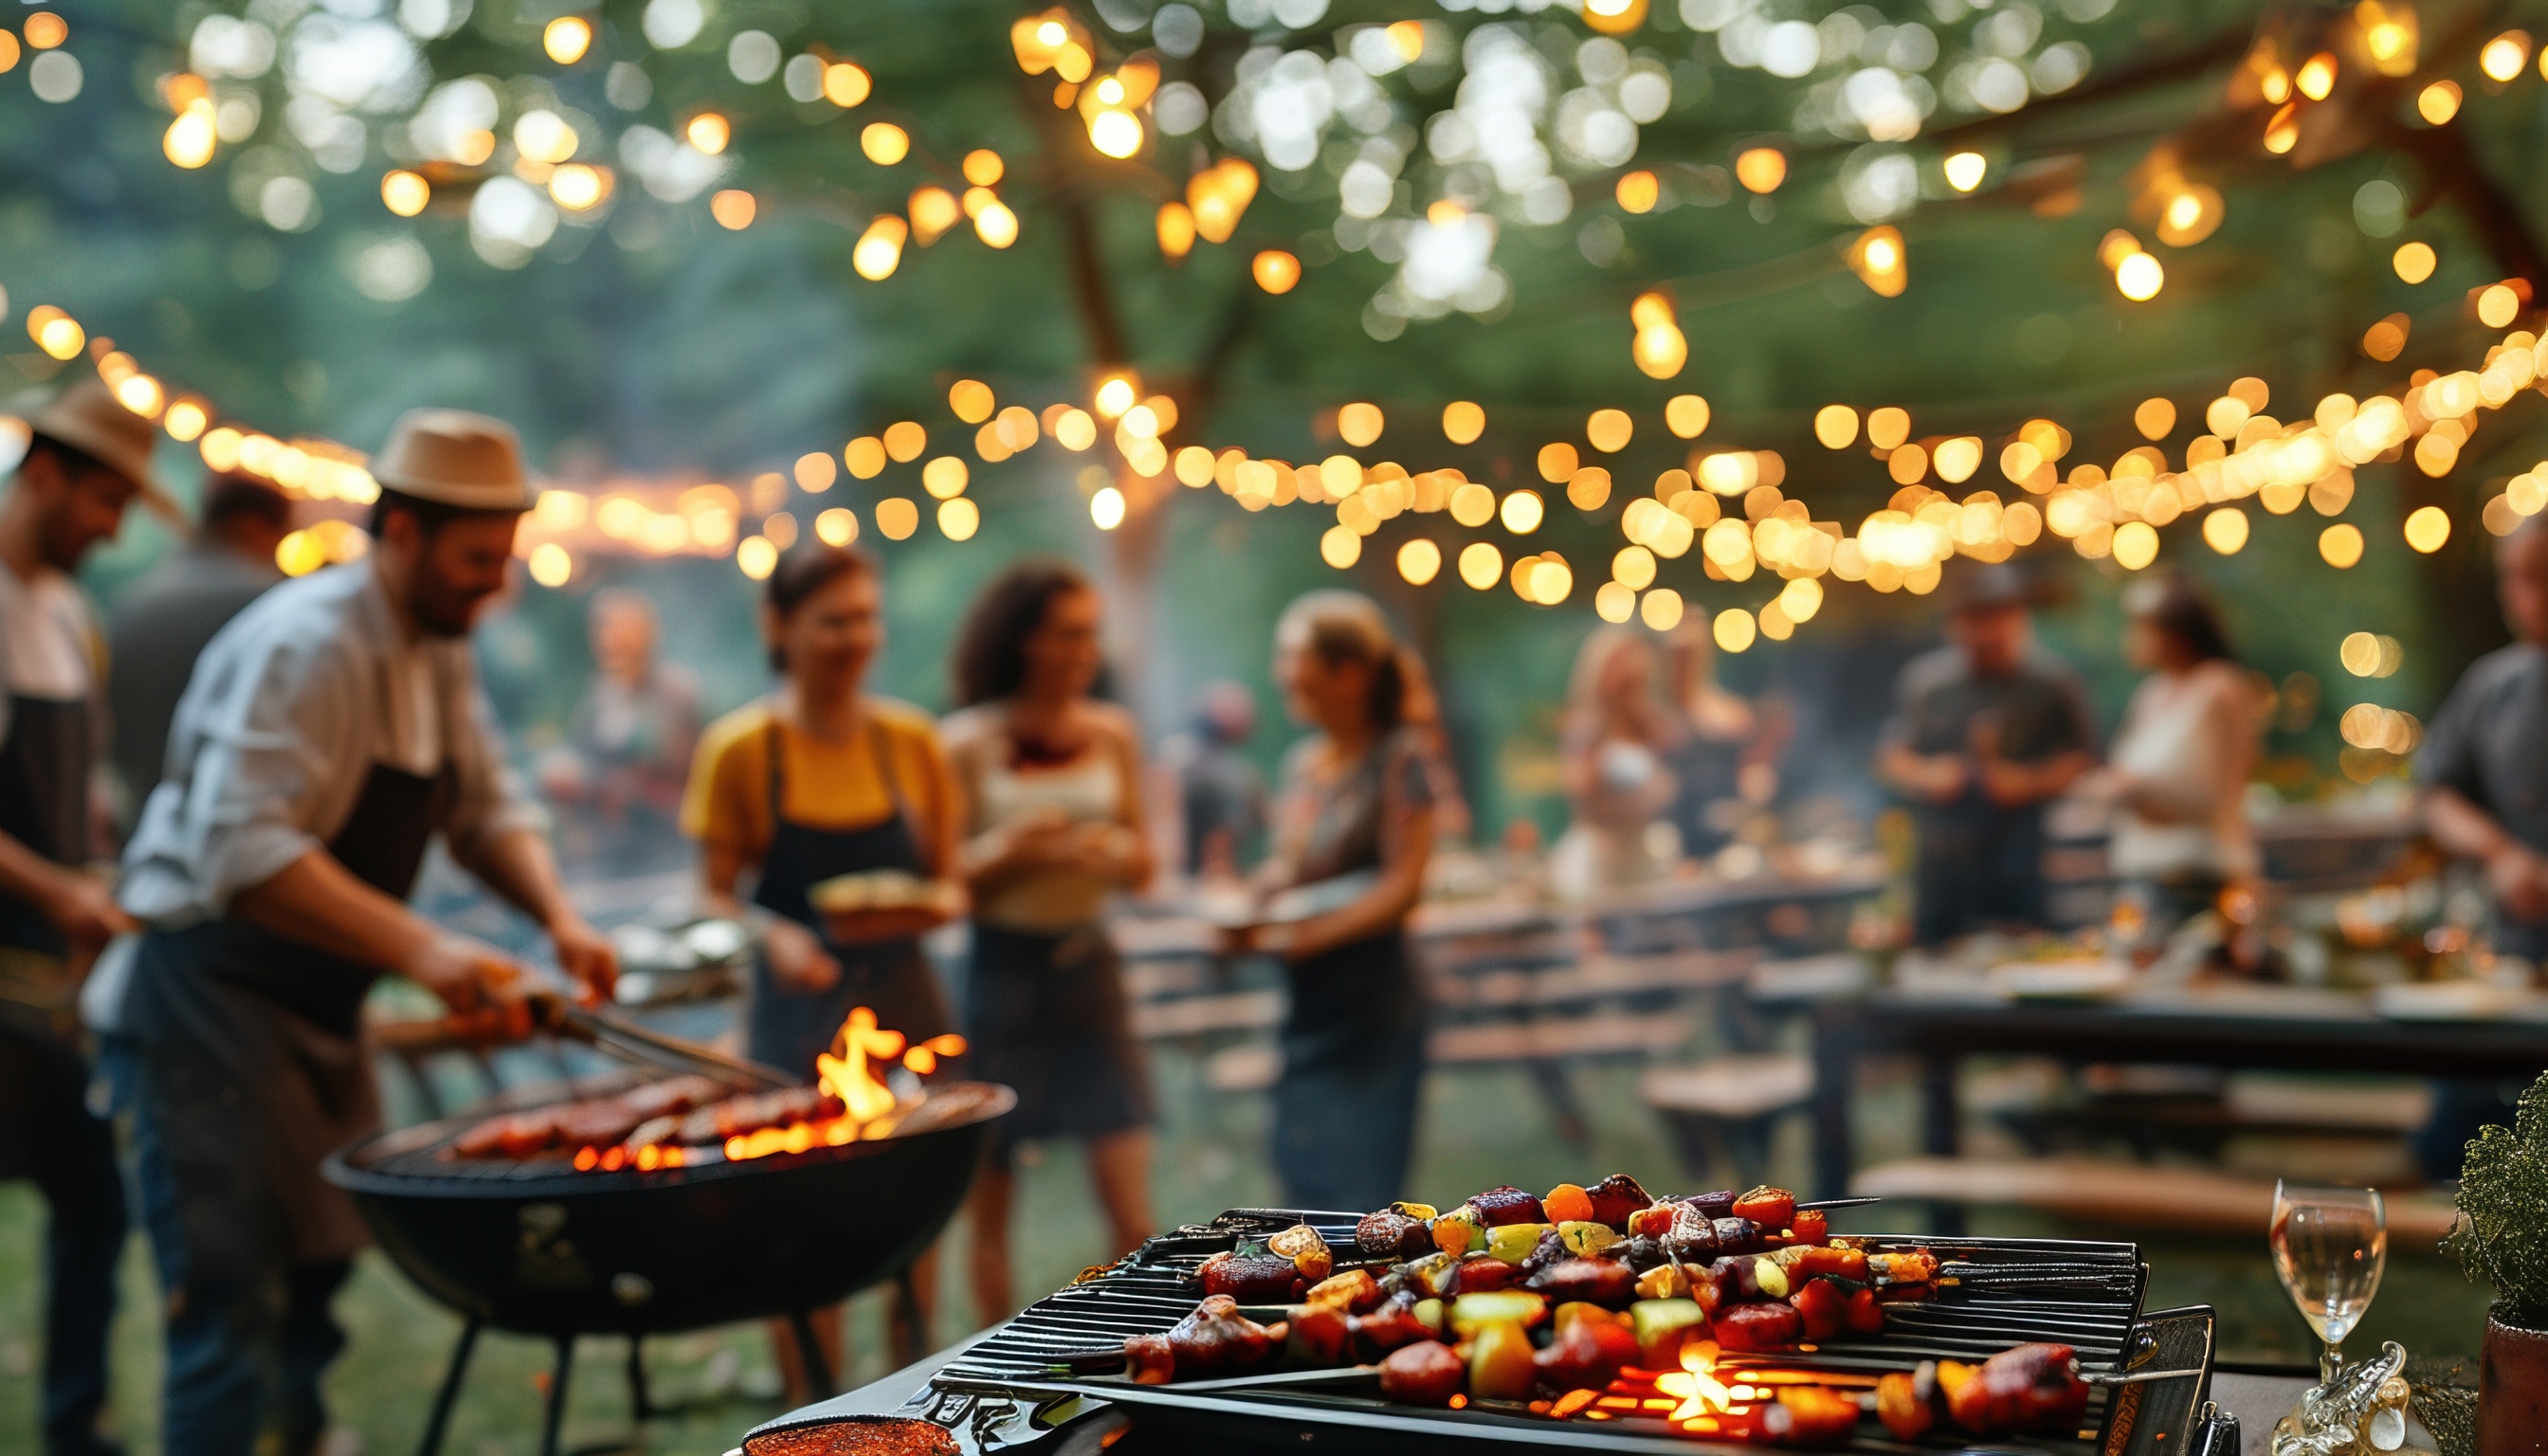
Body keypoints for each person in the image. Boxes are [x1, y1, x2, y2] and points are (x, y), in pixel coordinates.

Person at [113, 410, 617, 1456]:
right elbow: (241, 850)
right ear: (402, 536)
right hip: (211, 999)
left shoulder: (438, 646)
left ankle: (300, 1442)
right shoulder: (306, 644)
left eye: (503, 557)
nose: (495, 582)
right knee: (229, 1300)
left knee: (315, 1281)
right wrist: (429, 952)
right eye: (478, 559)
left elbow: (484, 807)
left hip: (320, 1007)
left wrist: (560, 921)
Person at [682, 539, 959, 1387]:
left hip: (905, 1002)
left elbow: (950, 879)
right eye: (832, 620)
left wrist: (922, 906)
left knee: (914, 1203)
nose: (854, 638)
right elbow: (712, 897)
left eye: (866, 618)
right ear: (780, 626)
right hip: (793, 1014)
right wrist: (774, 934)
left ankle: (917, 1401)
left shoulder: (910, 741)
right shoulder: (740, 749)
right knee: (799, 1222)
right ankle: (811, 1411)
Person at [0, 382, 158, 1456]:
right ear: (43, 470)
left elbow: (73, 790)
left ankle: (72, 1426)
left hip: (47, 984)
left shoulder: (64, 610)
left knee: (93, 1202)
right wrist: (62, 892)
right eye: (103, 499)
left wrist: (101, 863)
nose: (112, 527)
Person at [941, 560, 1154, 1323]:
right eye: (1066, 633)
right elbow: (943, 881)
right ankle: (993, 1366)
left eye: (1089, 634)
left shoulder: (1114, 733)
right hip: (1002, 972)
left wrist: (1109, 853)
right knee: (992, 1200)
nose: (1082, 650)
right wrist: (1009, 849)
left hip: (1089, 965)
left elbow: (1145, 864)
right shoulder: (964, 741)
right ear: (1022, 639)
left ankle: (1153, 1352)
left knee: (1130, 1200)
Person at [1230, 592, 1435, 1212]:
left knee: (1364, 1194)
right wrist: (1254, 902)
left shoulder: (1402, 758)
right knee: (1299, 1175)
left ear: (1350, 673)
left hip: (1375, 1003)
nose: (1280, 674)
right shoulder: (1303, 765)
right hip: (1309, 1002)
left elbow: (1404, 887)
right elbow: (1293, 869)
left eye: (1293, 656)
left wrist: (1310, 936)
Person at [2417, 517, 2548, 1172]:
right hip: (2510, 970)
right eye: (2515, 579)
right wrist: (2500, 853)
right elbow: (2435, 793)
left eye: (2540, 577)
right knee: (2450, 1152)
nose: (2526, 597)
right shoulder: (2492, 686)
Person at [1876, 563, 2097, 945]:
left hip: (2022, 854)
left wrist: (2028, 782)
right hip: (1943, 857)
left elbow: (2085, 761)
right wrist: (1927, 775)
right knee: (1936, 961)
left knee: (2023, 954)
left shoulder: (2051, 682)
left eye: (1996, 617)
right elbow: (1891, 757)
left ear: (2018, 617)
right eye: (1973, 620)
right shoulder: (1928, 684)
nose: (1986, 632)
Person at [105, 472, 289, 830]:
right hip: (206, 834)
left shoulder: (141, 593)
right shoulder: (268, 606)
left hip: (125, 817)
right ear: (253, 525)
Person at [2094, 577, 2256, 949]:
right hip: (2139, 880)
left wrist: (2134, 792)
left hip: (2199, 881)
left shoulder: (2221, 688)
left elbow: (2217, 795)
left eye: (2139, 627)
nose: (2130, 638)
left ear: (2175, 633)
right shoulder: (2150, 692)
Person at [544, 588, 701, 871]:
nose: (610, 637)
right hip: (608, 846)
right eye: (603, 628)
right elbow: (581, 754)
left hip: (665, 844)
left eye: (621, 628)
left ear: (646, 633)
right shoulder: (599, 694)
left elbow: (680, 768)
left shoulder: (677, 693)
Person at [1551, 628, 1683, 900]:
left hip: (1643, 852)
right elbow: (1578, 788)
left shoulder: (1650, 724)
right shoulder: (1587, 729)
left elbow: (1672, 778)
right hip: (1601, 858)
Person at [1661, 618, 1763, 858]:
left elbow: (1752, 771)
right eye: (1678, 655)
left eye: (1689, 653)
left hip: (1725, 831)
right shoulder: (1656, 716)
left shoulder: (1729, 713)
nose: (1683, 661)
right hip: (1671, 838)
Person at [1168, 681, 1265, 880]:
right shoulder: (1228, 776)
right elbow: (1219, 850)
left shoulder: (1172, 757)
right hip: (1206, 879)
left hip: (1178, 878)